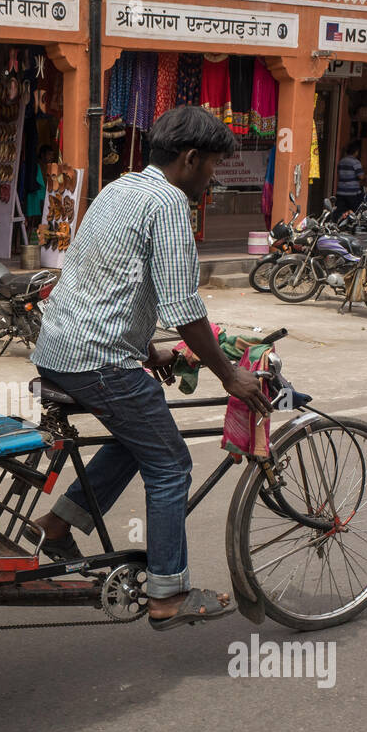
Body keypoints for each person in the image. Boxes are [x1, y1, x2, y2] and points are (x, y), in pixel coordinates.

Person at [29, 105, 271, 630]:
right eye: (210, 167)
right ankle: (167, 592)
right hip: (97, 360)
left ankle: (58, 521)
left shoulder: (119, 189)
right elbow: (184, 309)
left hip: (60, 350)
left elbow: (103, 281)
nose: (211, 179)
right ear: (189, 159)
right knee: (171, 464)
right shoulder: (168, 204)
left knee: (139, 438)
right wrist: (231, 374)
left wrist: (148, 350)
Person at [335, 140, 365, 218]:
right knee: (354, 213)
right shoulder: (356, 162)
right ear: (356, 152)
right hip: (352, 193)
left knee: (340, 212)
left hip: (341, 191)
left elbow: (338, 173)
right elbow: (361, 176)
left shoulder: (341, 161)